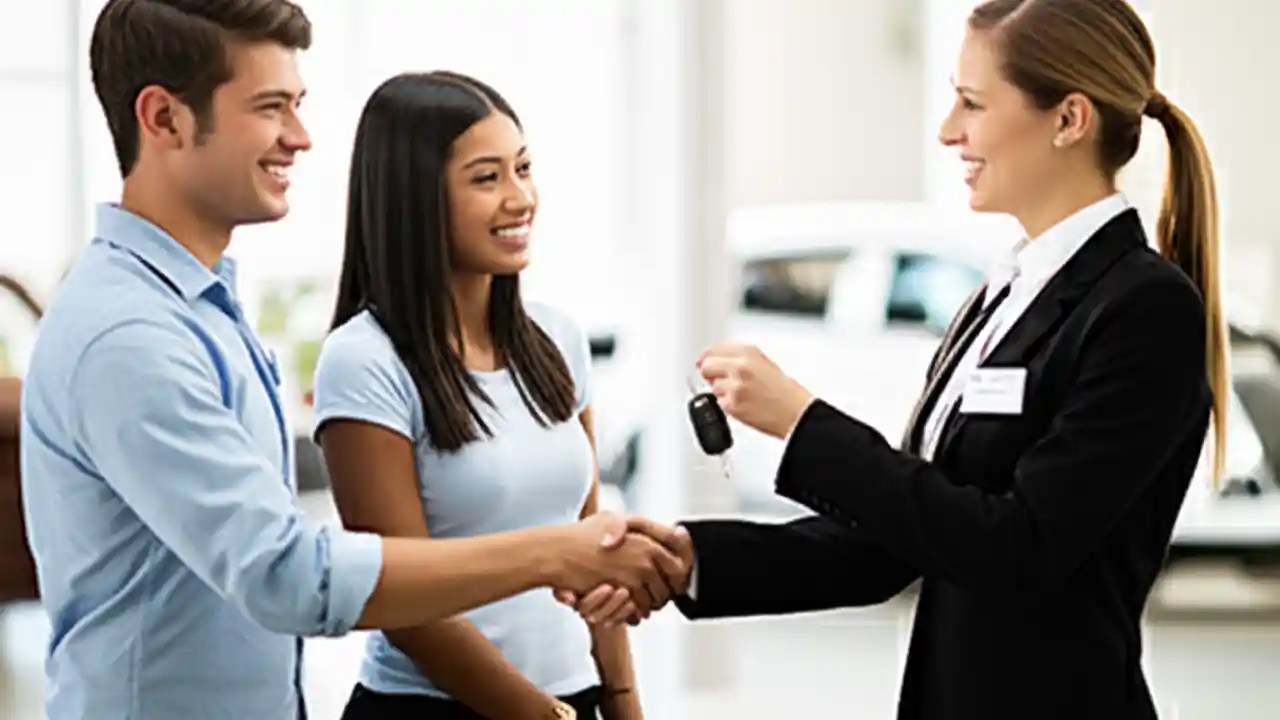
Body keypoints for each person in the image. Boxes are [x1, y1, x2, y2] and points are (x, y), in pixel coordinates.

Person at [19, 2, 680, 718]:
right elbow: (287, 574)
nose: (300, 138)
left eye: (297, 105)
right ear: (164, 118)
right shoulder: (129, 335)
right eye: (271, 107)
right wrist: (556, 554)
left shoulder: (199, 311)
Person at [567, 0, 1226, 718]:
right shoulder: (997, 300)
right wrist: (689, 562)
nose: (949, 131)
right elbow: (900, 541)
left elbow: (1017, 549)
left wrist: (803, 421)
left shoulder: (1144, 309)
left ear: (1070, 120)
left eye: (972, 104)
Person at [311, 71, 646, 720]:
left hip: (572, 699)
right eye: (487, 178)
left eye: (523, 169)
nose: (520, 197)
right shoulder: (364, 360)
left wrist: (625, 705)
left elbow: (594, 553)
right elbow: (400, 602)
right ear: (417, 199)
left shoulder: (558, 338)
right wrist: (539, 716)